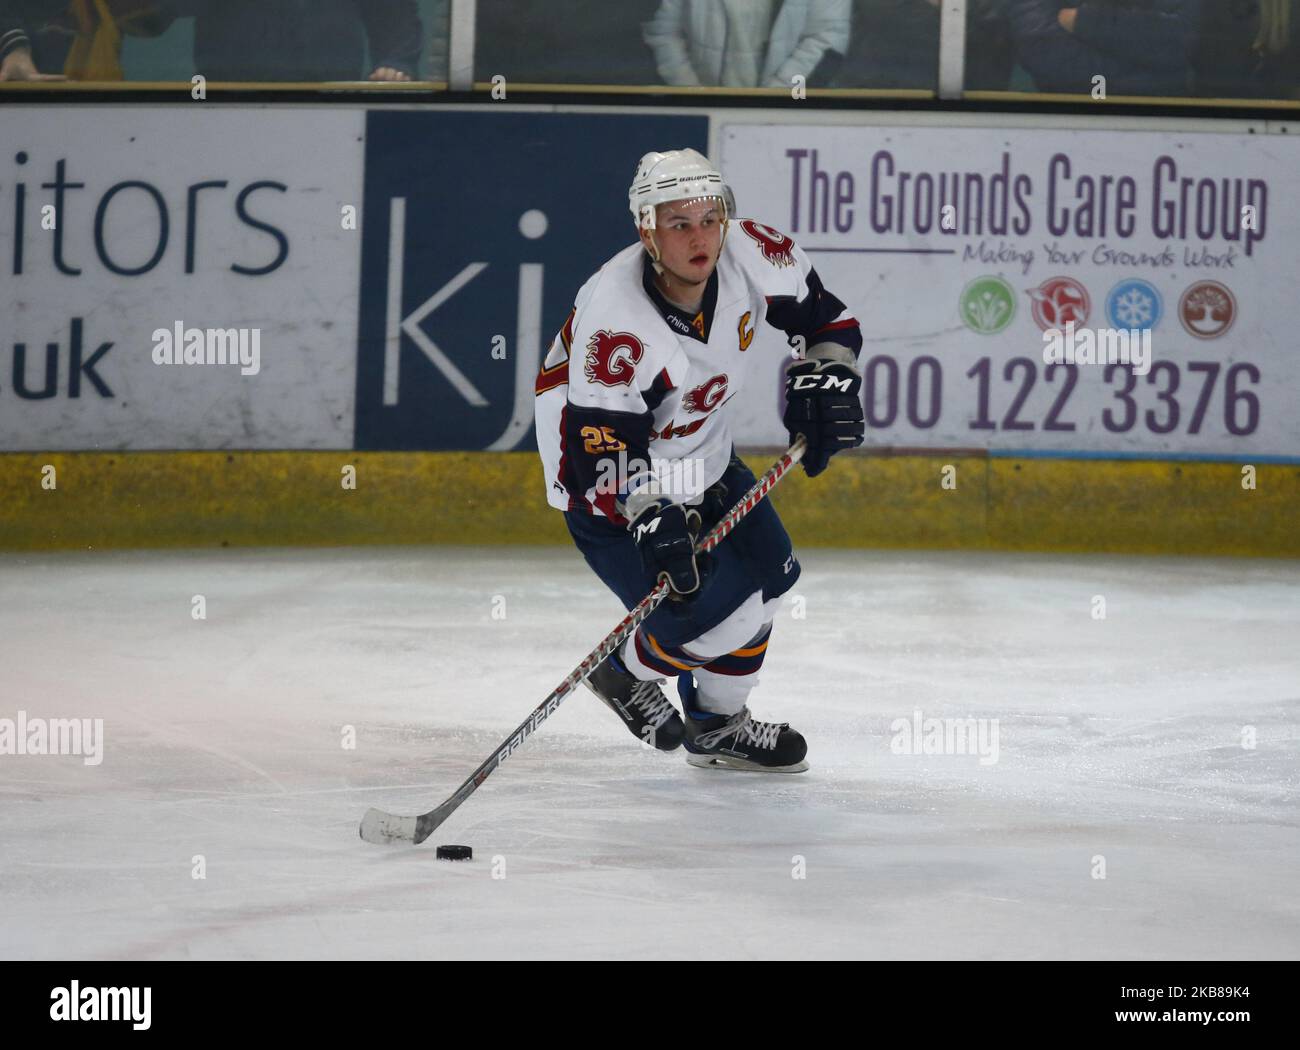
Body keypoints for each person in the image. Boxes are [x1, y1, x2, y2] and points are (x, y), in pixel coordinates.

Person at [533, 149, 865, 773]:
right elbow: (599, 448)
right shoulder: (618, 326)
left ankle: (717, 726)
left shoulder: (752, 254)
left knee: (770, 579)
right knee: (712, 618)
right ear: (647, 231)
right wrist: (650, 513)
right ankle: (621, 672)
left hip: (705, 456)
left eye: (709, 219)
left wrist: (829, 371)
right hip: (605, 484)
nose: (699, 237)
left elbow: (829, 318)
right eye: (678, 223)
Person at [1006, 0, 1202, 96]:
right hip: (1065, 122)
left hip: (1171, 122)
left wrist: (1085, 21)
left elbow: (1186, 42)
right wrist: (1155, 75)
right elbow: (1044, 52)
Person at [642, 0, 850, 88]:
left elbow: (828, 42)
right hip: (697, 120)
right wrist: (691, 94)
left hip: (790, 120)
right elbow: (663, 33)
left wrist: (779, 99)